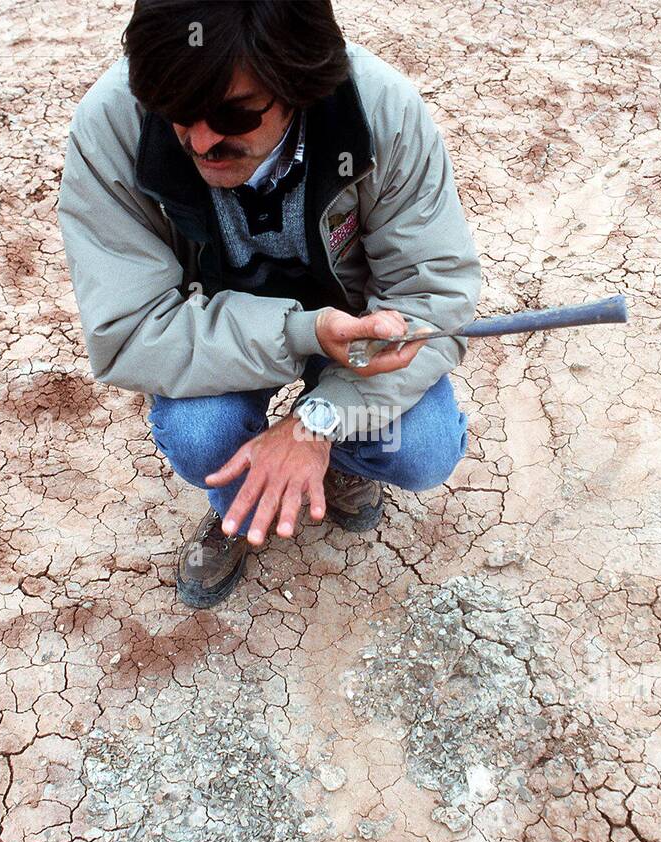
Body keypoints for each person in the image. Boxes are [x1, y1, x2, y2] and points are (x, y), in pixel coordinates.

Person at [57, 0, 480, 608]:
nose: (202, 141)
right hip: (221, 340)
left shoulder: (382, 112)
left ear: (298, 86)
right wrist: (303, 332)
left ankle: (337, 466)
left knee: (421, 448)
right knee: (202, 433)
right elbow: (128, 334)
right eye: (177, 112)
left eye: (233, 113)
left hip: (356, 343)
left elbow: (434, 299)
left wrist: (319, 420)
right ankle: (239, 509)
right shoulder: (113, 125)